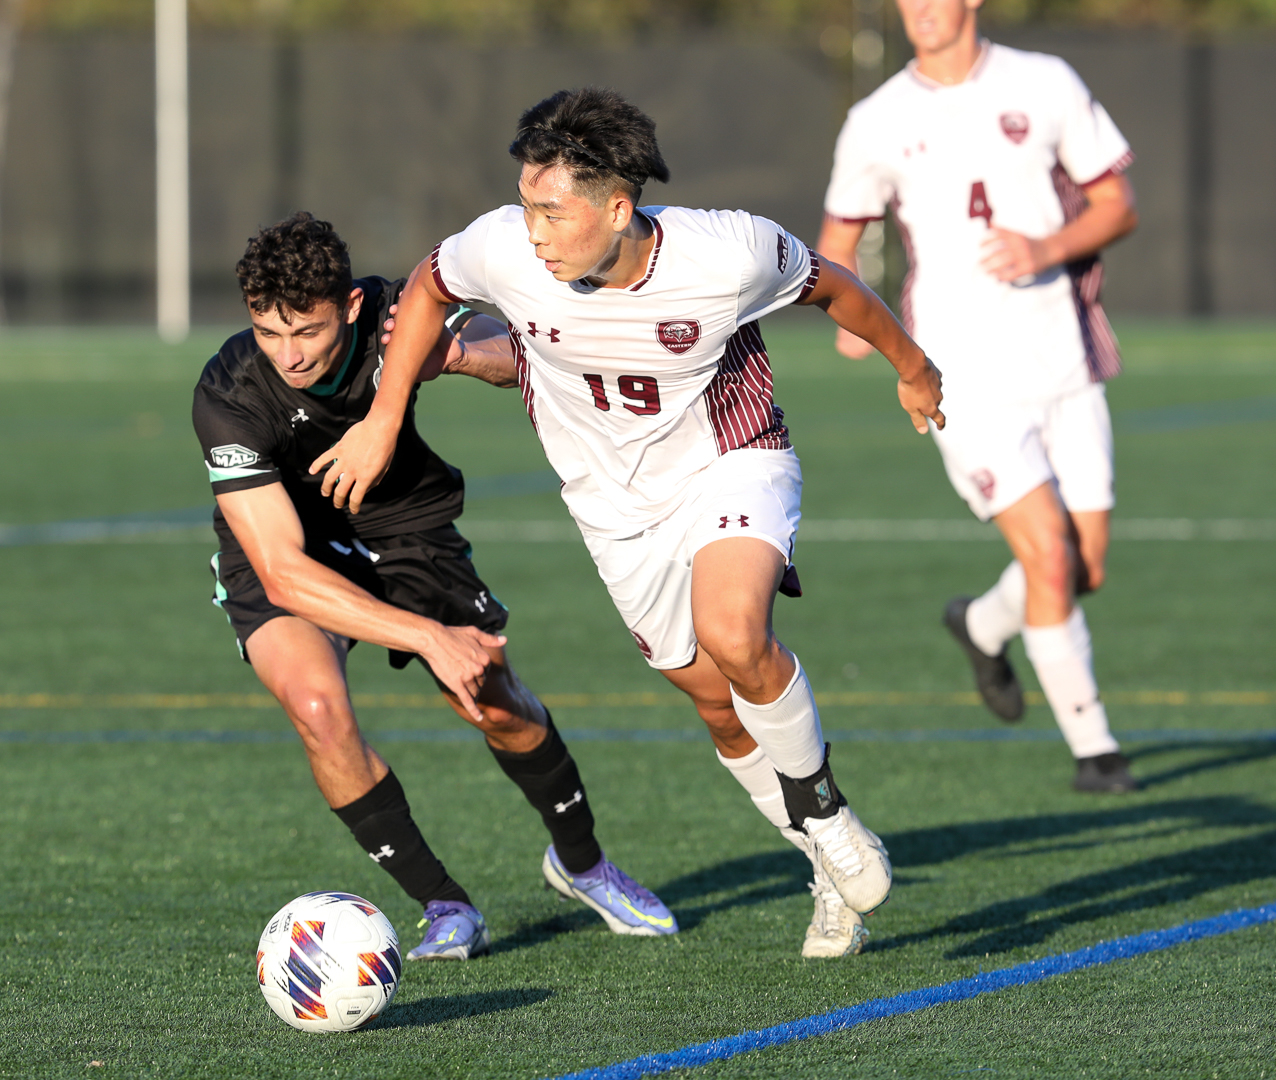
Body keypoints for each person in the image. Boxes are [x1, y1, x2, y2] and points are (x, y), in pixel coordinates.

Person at [312, 89, 946, 957]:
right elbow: (427, 289)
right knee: (718, 708)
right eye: (525, 205)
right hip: (610, 508)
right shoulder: (503, 247)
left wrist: (912, 365)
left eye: (552, 211)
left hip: (731, 459)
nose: (533, 231)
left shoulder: (728, 252)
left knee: (734, 632)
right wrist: (385, 419)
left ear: (617, 208)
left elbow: (834, 288)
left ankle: (828, 813)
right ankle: (824, 867)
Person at [193, 213, 681, 961]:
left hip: (404, 526)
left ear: (350, 307)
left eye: (308, 331)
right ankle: (445, 905)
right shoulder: (228, 393)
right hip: (288, 549)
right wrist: (429, 637)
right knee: (318, 709)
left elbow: (522, 352)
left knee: (493, 702)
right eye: (268, 332)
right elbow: (284, 572)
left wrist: (453, 355)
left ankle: (583, 866)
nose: (288, 355)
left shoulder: (397, 314)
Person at [817, 0, 1141, 793]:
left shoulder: (1045, 81)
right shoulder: (875, 119)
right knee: (1047, 555)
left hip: (1062, 360)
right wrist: (853, 322)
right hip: (960, 376)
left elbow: (1118, 205)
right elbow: (836, 245)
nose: (921, 7)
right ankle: (1096, 752)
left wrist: (1046, 246)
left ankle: (981, 623)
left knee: (1085, 565)